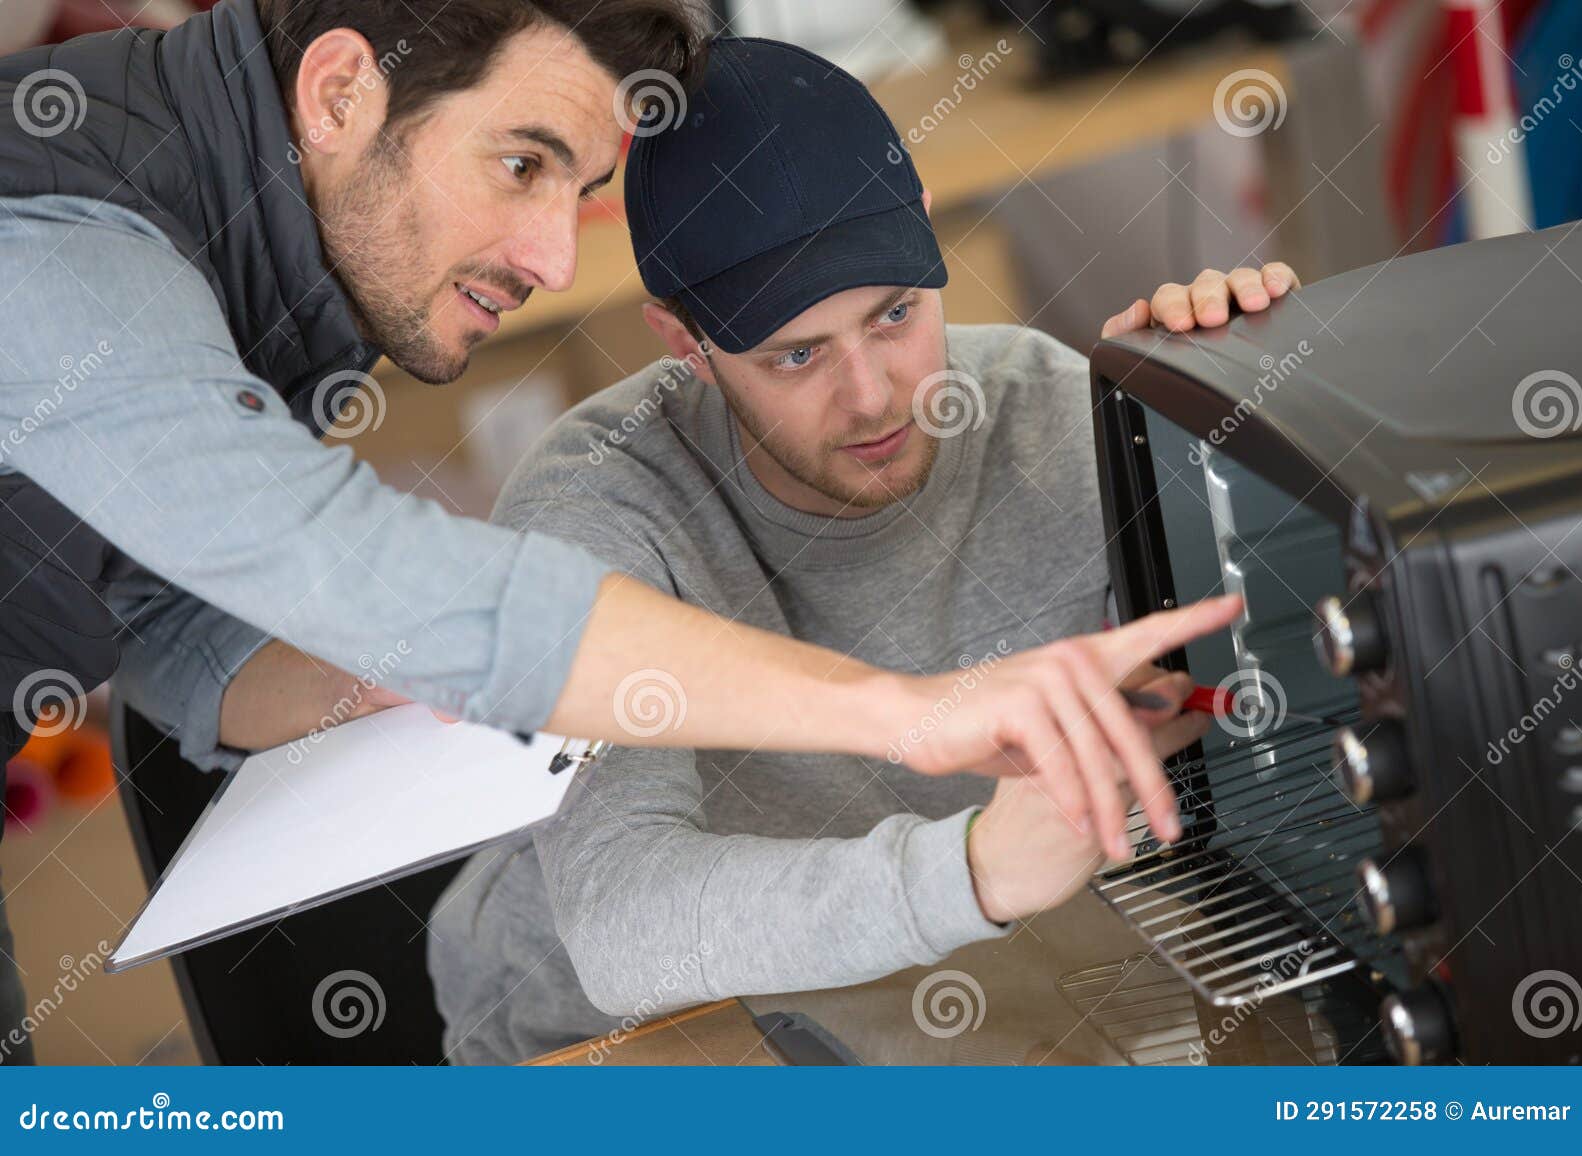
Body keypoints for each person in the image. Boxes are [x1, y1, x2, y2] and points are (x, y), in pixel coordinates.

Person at [0, 3, 1239, 1063]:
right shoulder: (63, 255)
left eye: (580, 189)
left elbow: (159, 616)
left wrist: (1211, 419)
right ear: (336, 93)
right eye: (521, 164)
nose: (552, 259)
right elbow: (337, 557)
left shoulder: (253, 252)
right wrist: (903, 715)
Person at [422, 36, 1302, 1063]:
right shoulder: (595, 503)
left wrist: (1213, 426)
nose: (875, 394)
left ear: (923, 227)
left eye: (895, 314)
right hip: (620, 1034)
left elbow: (1266, 719)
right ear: (684, 344)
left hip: (949, 977)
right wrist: (972, 871)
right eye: (797, 354)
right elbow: (622, 923)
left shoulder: (1044, 406)